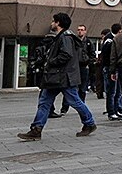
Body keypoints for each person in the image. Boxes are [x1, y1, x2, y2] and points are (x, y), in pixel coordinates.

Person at [18, 12, 96, 140]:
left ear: (58, 23)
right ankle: (36, 129)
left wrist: (50, 62)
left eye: (53, 21)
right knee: (44, 102)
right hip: (55, 77)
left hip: (64, 77)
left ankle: (89, 123)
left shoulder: (65, 37)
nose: (51, 23)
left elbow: (66, 55)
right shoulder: (61, 37)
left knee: (74, 101)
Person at [58, 25, 93, 114]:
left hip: (83, 67)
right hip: (74, 67)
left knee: (82, 89)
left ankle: (82, 107)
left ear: (85, 31)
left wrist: (88, 62)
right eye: (78, 30)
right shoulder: (73, 41)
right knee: (70, 87)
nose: (80, 32)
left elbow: (92, 54)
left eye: (82, 30)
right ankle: (64, 108)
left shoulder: (88, 42)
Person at [99, 25, 121, 119]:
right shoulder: (109, 40)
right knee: (111, 91)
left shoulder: (113, 39)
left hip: (116, 68)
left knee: (117, 91)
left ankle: (116, 109)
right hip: (110, 68)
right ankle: (111, 112)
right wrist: (112, 69)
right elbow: (107, 55)